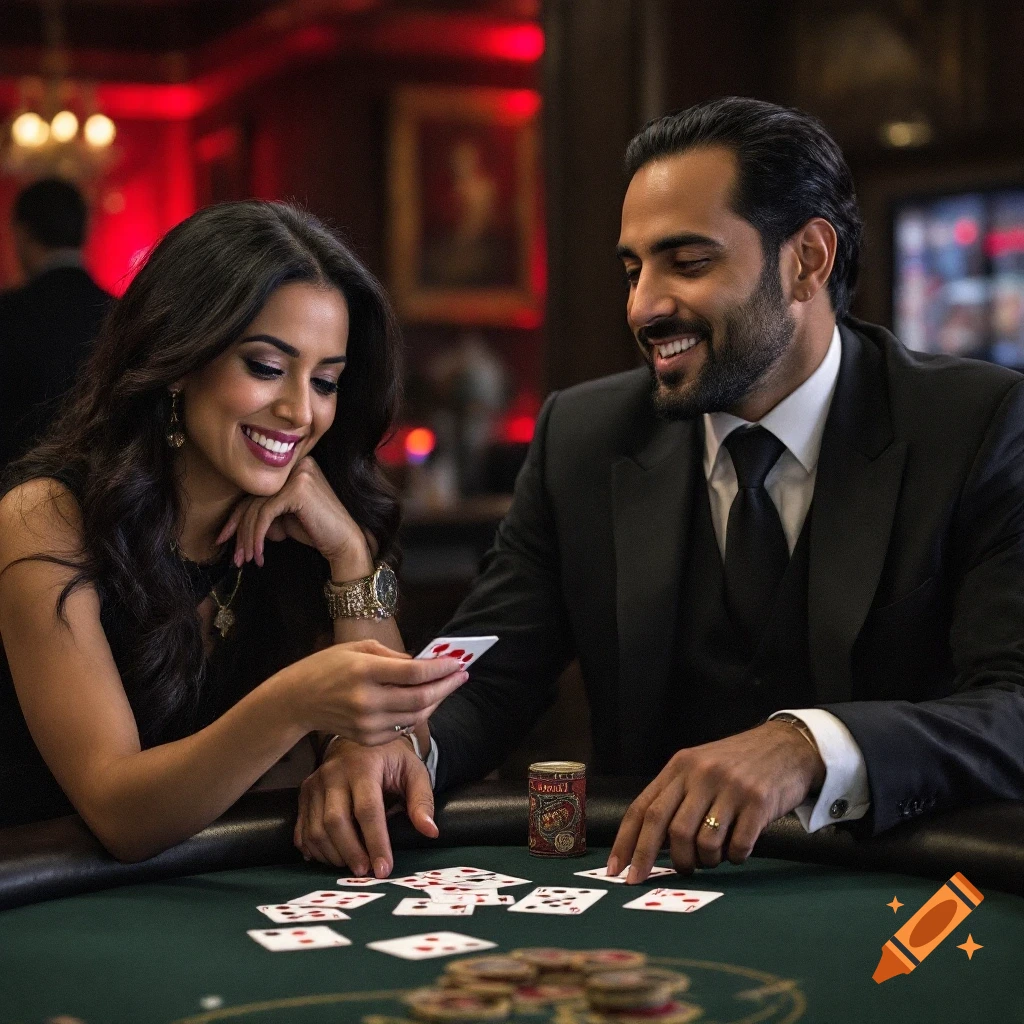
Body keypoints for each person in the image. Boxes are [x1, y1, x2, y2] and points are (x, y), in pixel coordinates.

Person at [299, 97, 1024, 880]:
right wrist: (397, 744)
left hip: (899, 894)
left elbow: (1014, 705)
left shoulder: (975, 425)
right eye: (633, 268)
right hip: (648, 894)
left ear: (809, 260)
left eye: (689, 262)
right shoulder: (585, 436)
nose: (642, 306)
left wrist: (807, 744)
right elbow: (486, 673)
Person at [0, 201, 468, 860]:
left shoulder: (303, 533)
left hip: (213, 895)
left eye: (326, 382)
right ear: (181, 358)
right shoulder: (44, 519)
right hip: (42, 901)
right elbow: (117, 810)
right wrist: (295, 704)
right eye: (267, 368)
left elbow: (398, 737)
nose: (300, 411)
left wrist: (349, 554)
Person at [0, 178, 112, 470]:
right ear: (85, 230)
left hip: (13, 488)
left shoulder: (8, 314)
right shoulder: (121, 313)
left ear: (21, 234)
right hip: (102, 492)